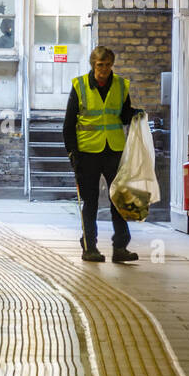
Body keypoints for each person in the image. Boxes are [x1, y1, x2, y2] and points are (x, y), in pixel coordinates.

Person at [63, 46, 146, 262]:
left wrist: (136, 114)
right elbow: (69, 124)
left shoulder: (120, 85)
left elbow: (123, 114)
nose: (104, 70)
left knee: (118, 199)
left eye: (108, 65)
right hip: (87, 152)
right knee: (90, 202)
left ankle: (120, 247)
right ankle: (89, 247)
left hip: (114, 151)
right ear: (93, 65)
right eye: (100, 65)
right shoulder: (80, 86)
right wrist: (72, 153)